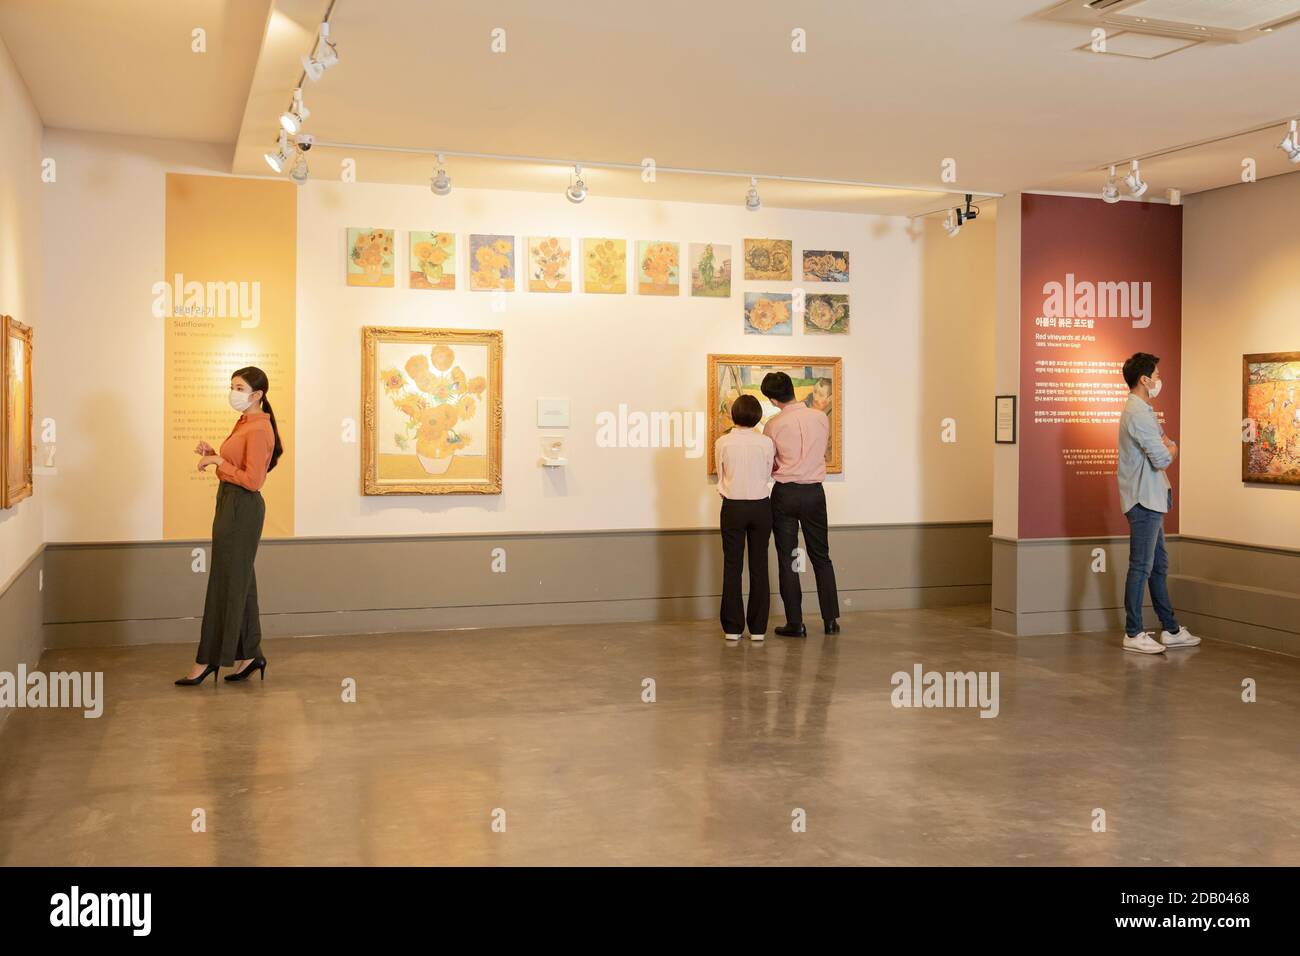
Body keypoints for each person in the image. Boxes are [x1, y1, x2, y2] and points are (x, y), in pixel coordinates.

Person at [175, 367, 284, 685]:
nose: (232, 392)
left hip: (242, 508)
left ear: (257, 395)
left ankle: (207, 660)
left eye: (239, 387)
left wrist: (218, 463)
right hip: (230, 504)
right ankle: (250, 655)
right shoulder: (244, 422)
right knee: (241, 581)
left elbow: (253, 480)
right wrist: (215, 455)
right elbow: (237, 467)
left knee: (226, 582)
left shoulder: (261, 428)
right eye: (231, 386)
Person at [1117, 352, 1199, 655]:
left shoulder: (1144, 410)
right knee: (1141, 566)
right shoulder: (1138, 413)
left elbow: (1164, 443)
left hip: (1152, 497)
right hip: (1143, 499)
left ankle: (1171, 629)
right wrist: (1172, 448)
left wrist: (1168, 445)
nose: (1158, 379)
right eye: (1156, 374)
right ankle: (1134, 632)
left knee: (1158, 565)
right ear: (1144, 379)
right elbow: (1163, 454)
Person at [760, 371, 839, 637]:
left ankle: (796, 623)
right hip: (815, 493)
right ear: (793, 390)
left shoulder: (773, 424)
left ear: (772, 399)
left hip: (786, 494)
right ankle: (830, 620)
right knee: (821, 557)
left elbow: (770, 462)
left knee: (789, 559)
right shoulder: (820, 418)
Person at [715, 394, 775, 642]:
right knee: (759, 567)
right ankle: (758, 628)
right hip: (762, 507)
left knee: (732, 566)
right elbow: (769, 471)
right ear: (758, 416)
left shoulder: (723, 442)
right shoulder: (766, 443)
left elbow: (721, 475)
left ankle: (732, 627)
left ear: (734, 415)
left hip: (733, 506)